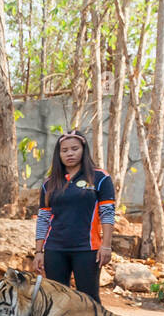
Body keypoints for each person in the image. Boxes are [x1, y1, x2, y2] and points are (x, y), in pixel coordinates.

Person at [33, 129, 115, 304]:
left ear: (83, 150)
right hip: (55, 249)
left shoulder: (100, 177)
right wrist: (39, 251)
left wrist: (106, 246)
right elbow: (43, 219)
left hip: (87, 249)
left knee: (89, 299)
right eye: (64, 150)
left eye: (74, 148)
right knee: (57, 299)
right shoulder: (49, 183)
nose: (70, 153)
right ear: (59, 154)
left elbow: (107, 213)